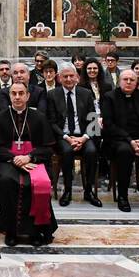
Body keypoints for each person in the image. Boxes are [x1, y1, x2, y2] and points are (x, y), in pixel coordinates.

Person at [0, 81, 57, 247]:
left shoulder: (38, 117)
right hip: (7, 161)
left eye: (21, 93)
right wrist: (14, 158)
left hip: (33, 161)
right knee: (7, 181)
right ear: (9, 95)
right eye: (14, 93)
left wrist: (29, 156)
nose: (17, 97)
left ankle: (36, 231)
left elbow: (48, 148)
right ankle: (10, 231)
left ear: (28, 96)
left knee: (39, 182)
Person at [102, 69, 139, 213]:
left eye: (132, 80)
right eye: (125, 79)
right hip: (119, 139)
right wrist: (130, 141)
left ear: (137, 82)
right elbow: (109, 124)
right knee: (124, 152)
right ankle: (123, 196)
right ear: (119, 81)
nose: (128, 82)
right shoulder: (109, 97)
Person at [48, 65, 100, 207]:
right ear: (59, 78)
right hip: (63, 136)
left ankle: (88, 191)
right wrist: (67, 137)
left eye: (71, 76)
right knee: (67, 151)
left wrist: (83, 138)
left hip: (83, 135)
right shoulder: (52, 95)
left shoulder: (86, 93)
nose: (69, 79)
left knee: (91, 151)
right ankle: (68, 190)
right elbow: (51, 122)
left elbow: (93, 119)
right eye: (65, 76)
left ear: (77, 77)